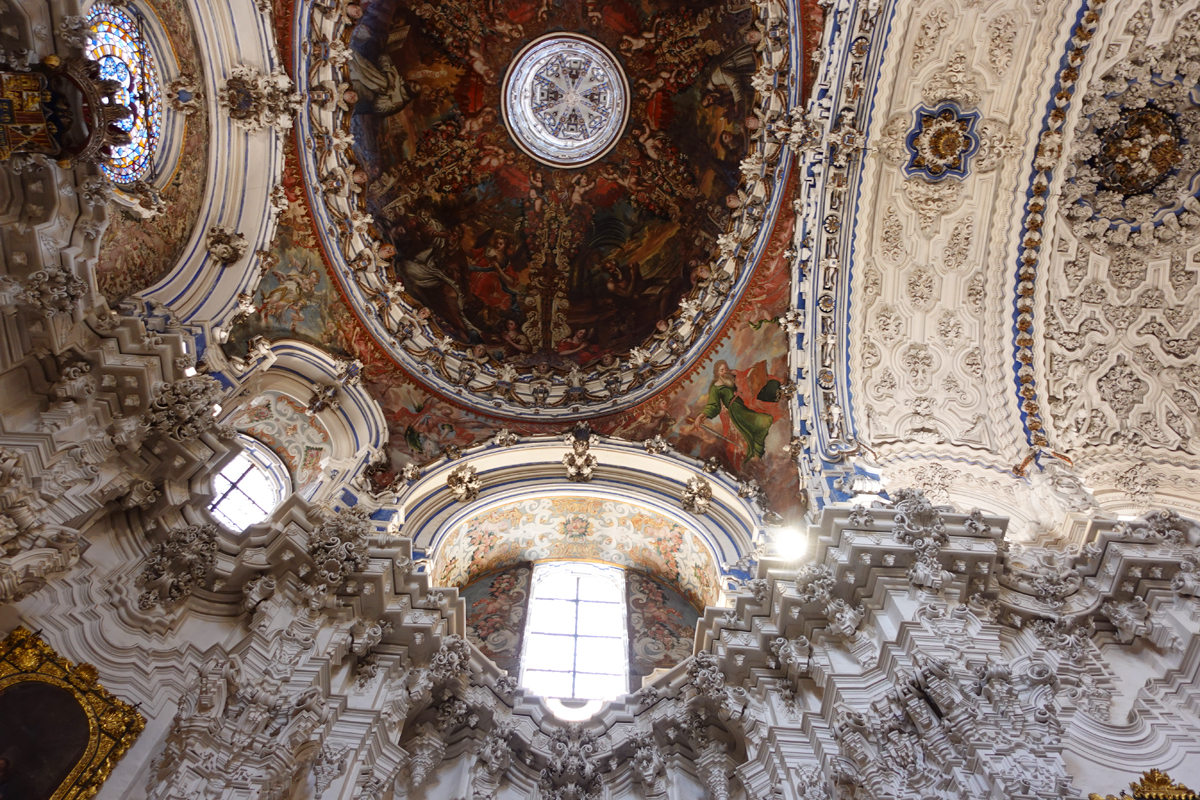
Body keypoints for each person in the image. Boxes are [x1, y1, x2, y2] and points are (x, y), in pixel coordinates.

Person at [689, 360, 773, 460]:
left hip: (744, 405)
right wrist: (700, 416)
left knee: (756, 428)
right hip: (736, 410)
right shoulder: (716, 387)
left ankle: (756, 453)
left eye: (726, 369)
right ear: (717, 373)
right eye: (722, 370)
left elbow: (745, 377)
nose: (725, 371)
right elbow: (713, 405)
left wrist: (753, 369)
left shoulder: (732, 377)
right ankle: (757, 452)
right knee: (764, 420)